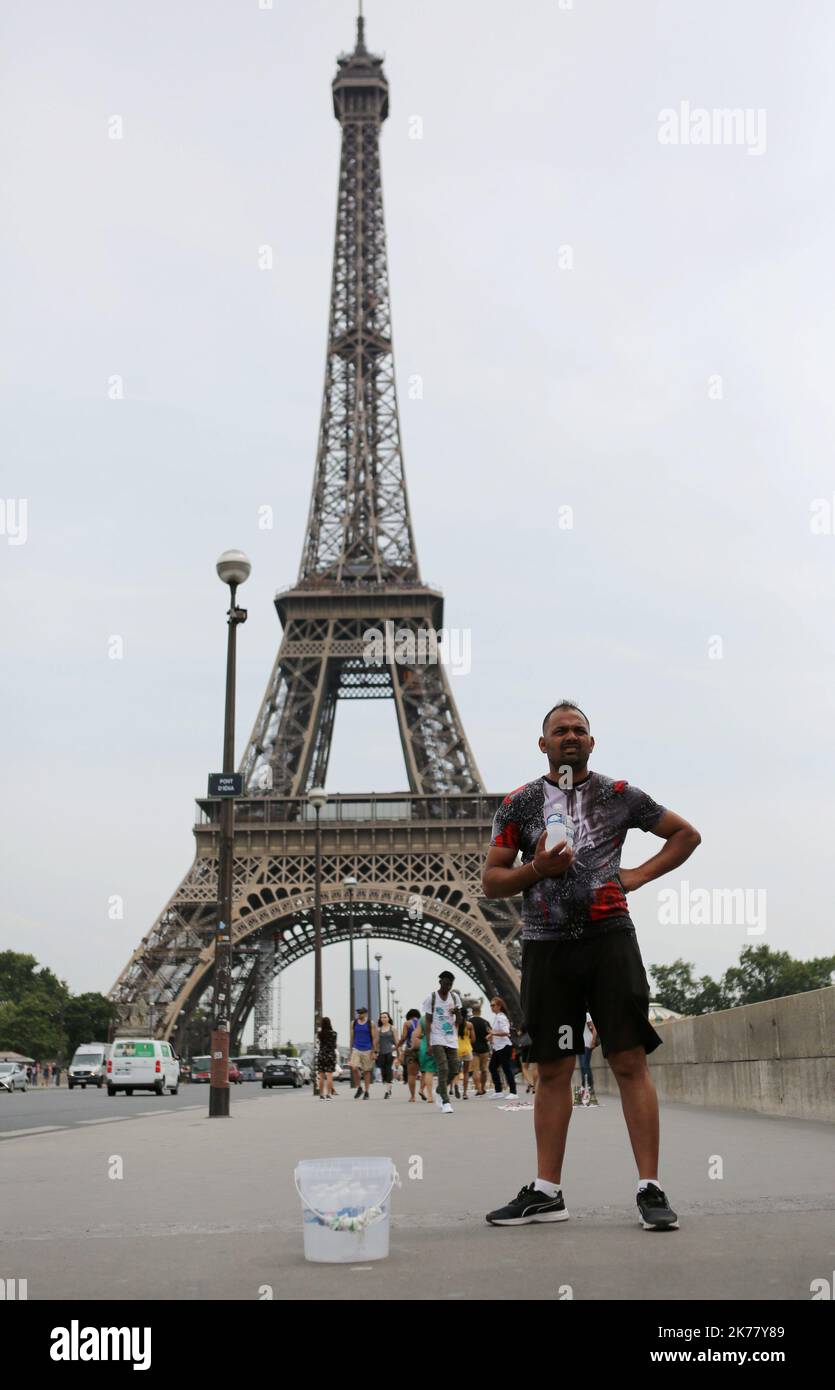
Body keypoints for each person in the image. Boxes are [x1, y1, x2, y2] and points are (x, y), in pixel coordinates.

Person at [482, 699, 700, 1230]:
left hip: (609, 940)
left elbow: (685, 834)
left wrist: (638, 875)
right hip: (547, 944)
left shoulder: (619, 796)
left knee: (629, 1061)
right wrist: (536, 868)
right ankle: (547, 1191)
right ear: (543, 744)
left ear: (591, 742)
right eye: (560, 731)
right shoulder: (520, 803)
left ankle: (650, 1188)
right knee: (554, 1069)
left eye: (579, 729)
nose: (570, 737)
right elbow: (491, 882)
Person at [422, 971, 463, 1114]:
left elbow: (460, 1022)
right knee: (443, 1068)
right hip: (437, 1037)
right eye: (446, 983)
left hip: (451, 1037)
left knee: (455, 1068)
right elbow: (427, 1021)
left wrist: (457, 1013)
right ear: (440, 982)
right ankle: (446, 1102)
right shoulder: (431, 998)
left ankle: (440, 1089)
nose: (448, 986)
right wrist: (428, 1043)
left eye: (450, 984)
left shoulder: (455, 997)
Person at [488, 996, 518, 1099]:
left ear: (499, 1006)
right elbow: (498, 1032)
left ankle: (513, 1092)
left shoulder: (501, 1017)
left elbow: (506, 1032)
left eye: (493, 1005)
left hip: (504, 1047)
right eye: (490, 1005)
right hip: (498, 1047)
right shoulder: (497, 1017)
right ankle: (498, 1091)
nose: (491, 1007)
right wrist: (491, 1035)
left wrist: (493, 1033)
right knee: (492, 1067)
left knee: (506, 1069)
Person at [349, 1006, 377, 1100]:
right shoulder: (354, 1023)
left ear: (365, 1014)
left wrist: (374, 1051)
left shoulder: (370, 1023)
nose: (359, 1015)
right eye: (358, 1013)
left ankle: (367, 1092)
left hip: (367, 1049)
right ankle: (359, 1087)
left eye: (361, 1013)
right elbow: (352, 1037)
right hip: (356, 1048)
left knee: (366, 1071)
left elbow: (374, 1038)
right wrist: (350, 1049)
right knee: (354, 1067)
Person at [398, 1009, 423, 1102]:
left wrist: (398, 1046)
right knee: (425, 1072)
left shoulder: (407, 1024)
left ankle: (412, 1096)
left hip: (410, 1050)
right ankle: (421, 1090)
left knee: (411, 1074)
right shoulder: (423, 1022)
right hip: (422, 1049)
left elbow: (404, 1037)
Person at [411, 1018, 436, 1104]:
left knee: (428, 1071)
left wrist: (423, 1035)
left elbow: (416, 1034)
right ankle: (441, 1093)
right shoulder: (441, 1015)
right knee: (443, 1070)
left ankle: (430, 1096)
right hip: (439, 1043)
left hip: (425, 1046)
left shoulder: (422, 1019)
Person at [469, 1005, 491, 1095]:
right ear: (480, 1012)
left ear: (472, 1012)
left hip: (473, 1048)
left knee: (475, 1070)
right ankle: (483, 1087)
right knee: (484, 1069)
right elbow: (490, 1034)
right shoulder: (485, 1022)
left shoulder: (469, 1022)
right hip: (484, 1049)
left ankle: (478, 1089)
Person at [577, 1013, 598, 1105]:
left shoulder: (586, 1015)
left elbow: (594, 1029)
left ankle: (589, 1086)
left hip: (587, 1043)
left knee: (585, 1065)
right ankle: (584, 1087)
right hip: (579, 1045)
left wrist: (593, 1041)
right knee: (582, 1067)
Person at [376, 1012, 397, 1099]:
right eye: (382, 1017)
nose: (383, 1019)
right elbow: (377, 1042)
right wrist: (375, 1052)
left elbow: (396, 1040)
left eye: (385, 1017)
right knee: (383, 1072)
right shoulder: (379, 1029)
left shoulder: (393, 1028)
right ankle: (388, 1086)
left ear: (388, 1018)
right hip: (381, 1053)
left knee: (388, 1071)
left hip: (390, 1052)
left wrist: (398, 1054)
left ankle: (387, 1091)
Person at [456, 1008, 476, 1098]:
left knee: (455, 1071)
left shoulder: (455, 1024)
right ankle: (464, 1093)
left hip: (456, 1049)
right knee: (466, 1072)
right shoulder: (469, 1025)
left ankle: (454, 1086)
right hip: (467, 1049)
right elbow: (474, 1039)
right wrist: (467, 1042)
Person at [317, 1018, 338, 1099]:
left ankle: (321, 1094)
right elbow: (334, 1045)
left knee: (321, 1076)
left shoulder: (320, 1034)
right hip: (331, 1055)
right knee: (329, 1076)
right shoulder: (334, 1033)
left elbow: (319, 1044)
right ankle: (328, 1094)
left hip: (322, 1054)